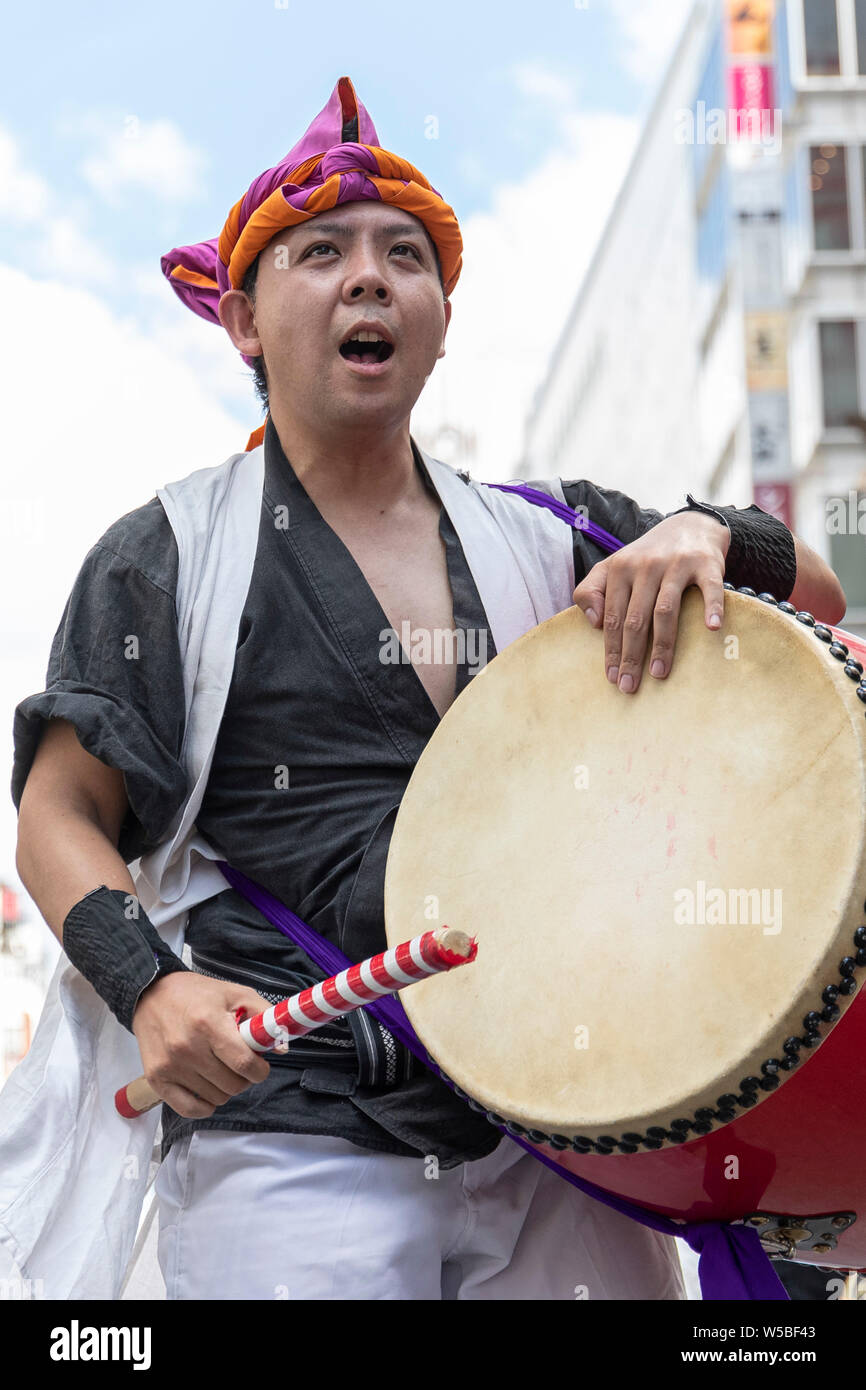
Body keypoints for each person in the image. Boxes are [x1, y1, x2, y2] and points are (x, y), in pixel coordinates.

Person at [5, 76, 846, 1301]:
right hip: (293, 1120)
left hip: (553, 1119)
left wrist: (709, 532)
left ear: (440, 321)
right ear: (241, 318)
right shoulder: (167, 555)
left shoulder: (551, 535)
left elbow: (814, 599)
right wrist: (152, 984)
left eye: (405, 255)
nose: (368, 276)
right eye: (320, 252)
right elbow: (56, 814)